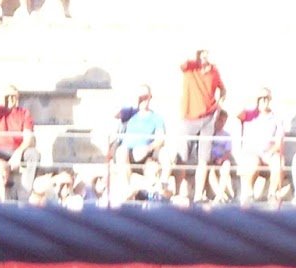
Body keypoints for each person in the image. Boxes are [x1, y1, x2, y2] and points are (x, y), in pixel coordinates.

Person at [176, 49, 226, 203]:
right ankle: (178, 192)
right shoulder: (190, 67)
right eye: (201, 53)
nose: (204, 57)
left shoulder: (214, 71)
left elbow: (223, 89)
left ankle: (198, 195)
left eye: (206, 53)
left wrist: (218, 106)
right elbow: (182, 63)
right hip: (189, 117)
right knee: (182, 156)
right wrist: (194, 55)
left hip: (208, 118)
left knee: (203, 158)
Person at [0, 85, 40, 197]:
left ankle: (25, 194)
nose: (11, 99)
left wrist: (19, 152)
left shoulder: (24, 113)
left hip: (16, 149)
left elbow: (28, 138)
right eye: (8, 96)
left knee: (34, 155)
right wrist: (0, 97)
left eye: (13, 96)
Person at [111, 85, 167, 200]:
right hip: (127, 150)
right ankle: (127, 191)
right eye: (141, 97)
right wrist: (133, 102)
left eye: (146, 97)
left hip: (144, 152)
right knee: (121, 151)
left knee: (156, 164)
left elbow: (160, 138)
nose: (143, 100)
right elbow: (115, 114)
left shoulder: (156, 117)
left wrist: (148, 148)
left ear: (150, 97)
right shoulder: (130, 113)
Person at [235, 88, 286, 203]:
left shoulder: (276, 118)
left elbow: (279, 141)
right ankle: (249, 193)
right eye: (261, 99)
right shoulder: (248, 115)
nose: (263, 101)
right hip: (252, 152)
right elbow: (236, 113)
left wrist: (271, 151)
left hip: (269, 152)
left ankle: (272, 194)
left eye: (266, 99)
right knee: (254, 162)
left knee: (279, 162)